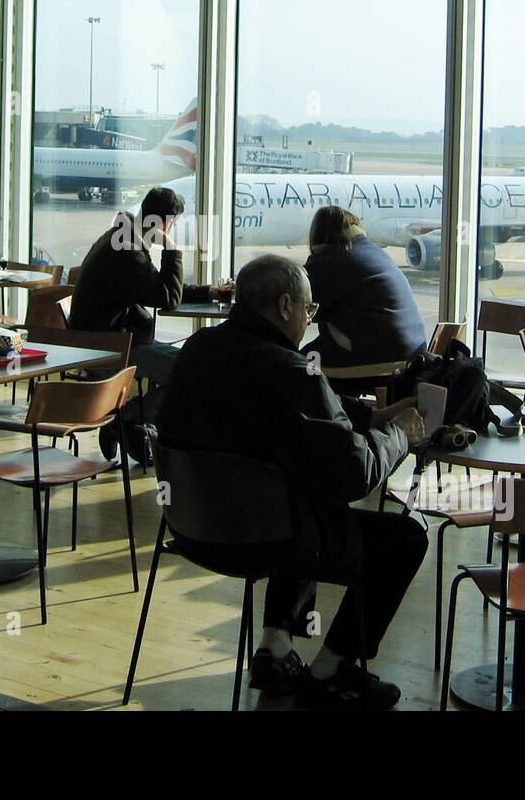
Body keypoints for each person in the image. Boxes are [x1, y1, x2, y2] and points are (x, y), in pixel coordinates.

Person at [155, 254, 428, 709]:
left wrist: (367, 416)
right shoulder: (292, 371)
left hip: (192, 530)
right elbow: (356, 474)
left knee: (291, 491)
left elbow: (278, 416)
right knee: (403, 537)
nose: (309, 318)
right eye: (309, 309)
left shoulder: (197, 351)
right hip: (267, 539)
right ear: (285, 306)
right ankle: (332, 670)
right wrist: (399, 433)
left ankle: (276, 648)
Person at [68, 186, 210, 456]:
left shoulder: (122, 239)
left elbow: (159, 287)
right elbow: (168, 297)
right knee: (192, 375)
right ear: (167, 224)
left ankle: (132, 423)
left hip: (109, 338)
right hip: (109, 347)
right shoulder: (127, 252)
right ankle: (127, 419)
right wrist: (171, 248)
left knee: (190, 369)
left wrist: (208, 292)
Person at [302, 206, 426, 390]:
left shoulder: (332, 260)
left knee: (295, 365)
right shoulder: (373, 252)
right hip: (411, 356)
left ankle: (331, 414)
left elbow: (302, 309)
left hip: (373, 360)